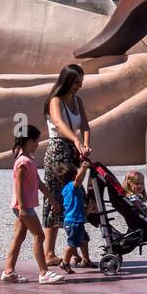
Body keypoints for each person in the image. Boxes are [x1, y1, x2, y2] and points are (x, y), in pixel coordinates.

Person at [2, 126, 64, 284]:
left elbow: (38, 183)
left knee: (19, 236)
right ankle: (44, 273)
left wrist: (52, 199)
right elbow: (19, 186)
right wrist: (22, 207)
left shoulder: (28, 160)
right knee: (40, 236)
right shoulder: (23, 162)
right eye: (36, 141)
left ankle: (8, 271)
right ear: (29, 141)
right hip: (23, 207)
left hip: (22, 206)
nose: (38, 144)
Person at [44, 64, 91, 265]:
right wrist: (76, 140)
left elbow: (86, 126)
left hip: (73, 150)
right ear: (66, 81)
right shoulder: (55, 100)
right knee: (56, 199)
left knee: (75, 197)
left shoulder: (78, 101)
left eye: (81, 82)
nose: (78, 86)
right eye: (75, 82)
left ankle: (76, 251)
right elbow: (59, 123)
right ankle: (49, 252)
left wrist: (85, 145)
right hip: (58, 151)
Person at [58, 161, 91, 273]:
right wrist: (84, 168)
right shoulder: (72, 186)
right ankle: (65, 262)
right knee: (72, 244)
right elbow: (78, 180)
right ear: (73, 176)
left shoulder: (67, 188)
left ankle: (86, 260)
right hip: (73, 222)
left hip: (76, 221)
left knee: (84, 240)